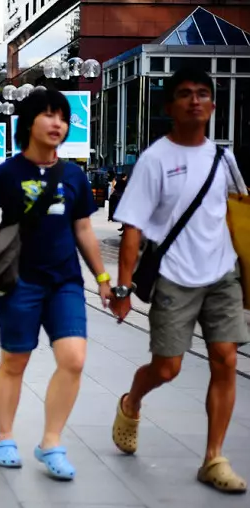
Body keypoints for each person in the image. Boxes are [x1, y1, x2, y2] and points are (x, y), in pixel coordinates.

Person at [0, 88, 110, 481]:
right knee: (15, 360)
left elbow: (83, 229)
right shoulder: (8, 173)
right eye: (48, 115)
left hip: (65, 282)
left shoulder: (74, 174)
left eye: (62, 116)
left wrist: (104, 278)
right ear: (28, 124)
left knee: (74, 359)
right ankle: (5, 437)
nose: (58, 123)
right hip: (18, 280)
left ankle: (52, 441)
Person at [110, 68, 249, 494]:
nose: (194, 100)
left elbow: (238, 215)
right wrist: (123, 288)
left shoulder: (224, 159)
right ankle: (132, 402)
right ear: (169, 106)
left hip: (221, 273)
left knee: (225, 359)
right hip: (173, 275)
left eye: (203, 94)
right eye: (185, 94)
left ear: (212, 104)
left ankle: (213, 458)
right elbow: (132, 227)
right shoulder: (155, 159)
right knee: (168, 367)